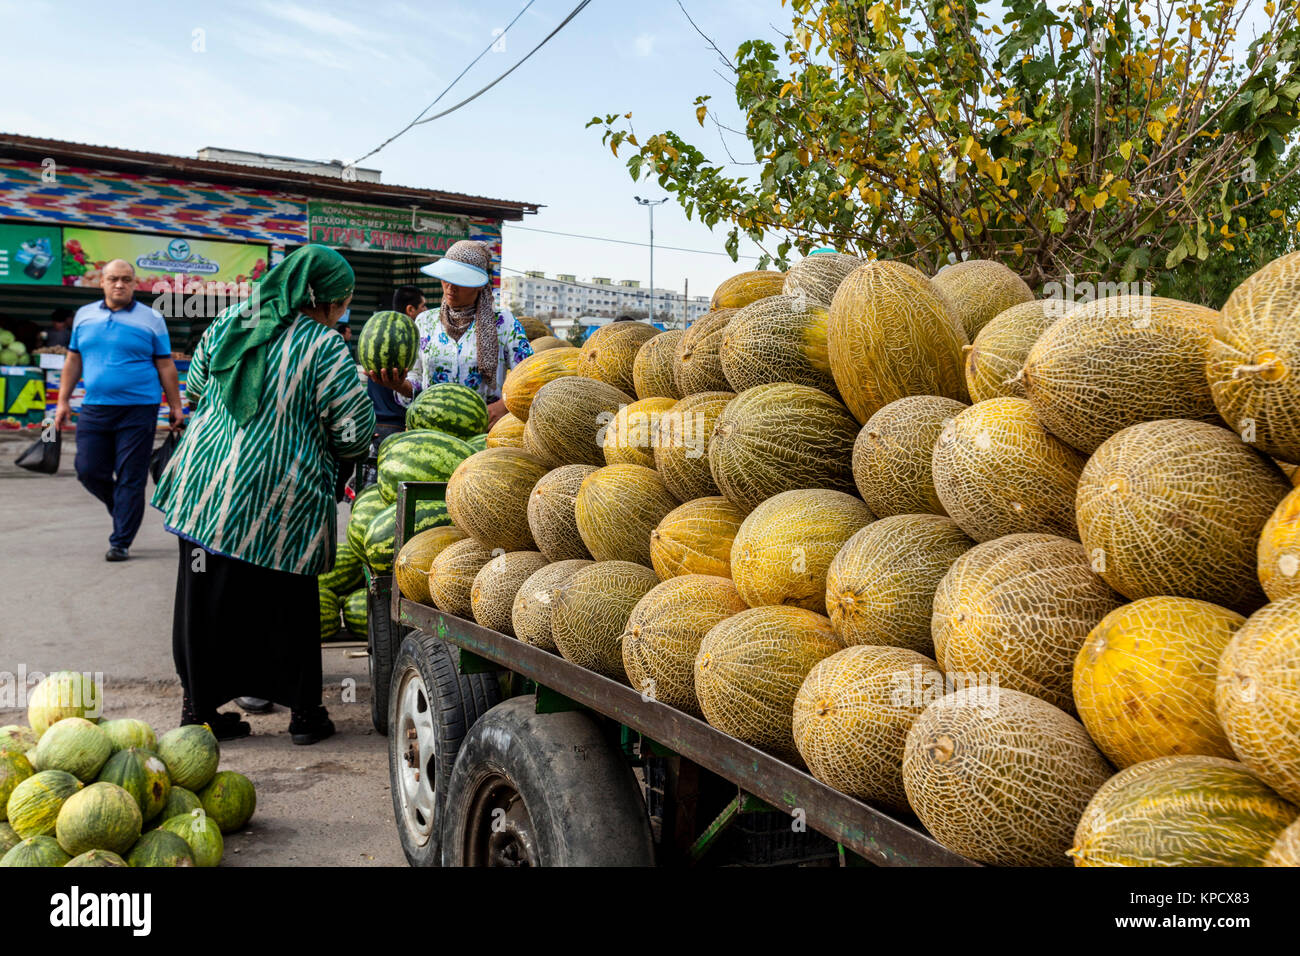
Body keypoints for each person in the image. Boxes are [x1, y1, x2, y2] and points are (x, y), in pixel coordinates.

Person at [152, 245, 375, 743]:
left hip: (205, 487)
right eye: (344, 297)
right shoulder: (323, 345)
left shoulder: (233, 319)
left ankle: (200, 712)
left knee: (204, 601)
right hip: (281, 500)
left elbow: (195, 388)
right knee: (287, 605)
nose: (345, 306)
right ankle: (305, 716)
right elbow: (352, 432)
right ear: (325, 297)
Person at [54, 260, 184, 562]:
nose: (119, 285)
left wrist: (176, 406)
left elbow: (165, 364)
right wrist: (62, 401)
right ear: (102, 282)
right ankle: (124, 507)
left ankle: (121, 540)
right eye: (113, 279)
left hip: (139, 408)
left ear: (134, 283)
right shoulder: (84, 317)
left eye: (126, 279)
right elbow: (73, 361)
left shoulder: (151, 318)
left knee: (131, 475)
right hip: (95, 407)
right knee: (88, 470)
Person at [369, 241, 531, 426]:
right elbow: (416, 380)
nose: (450, 286)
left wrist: (503, 406)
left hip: (485, 432)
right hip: (430, 428)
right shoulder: (425, 321)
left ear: (480, 285)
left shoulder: (504, 323)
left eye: (460, 280)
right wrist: (398, 385)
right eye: (447, 277)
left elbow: (529, 377)